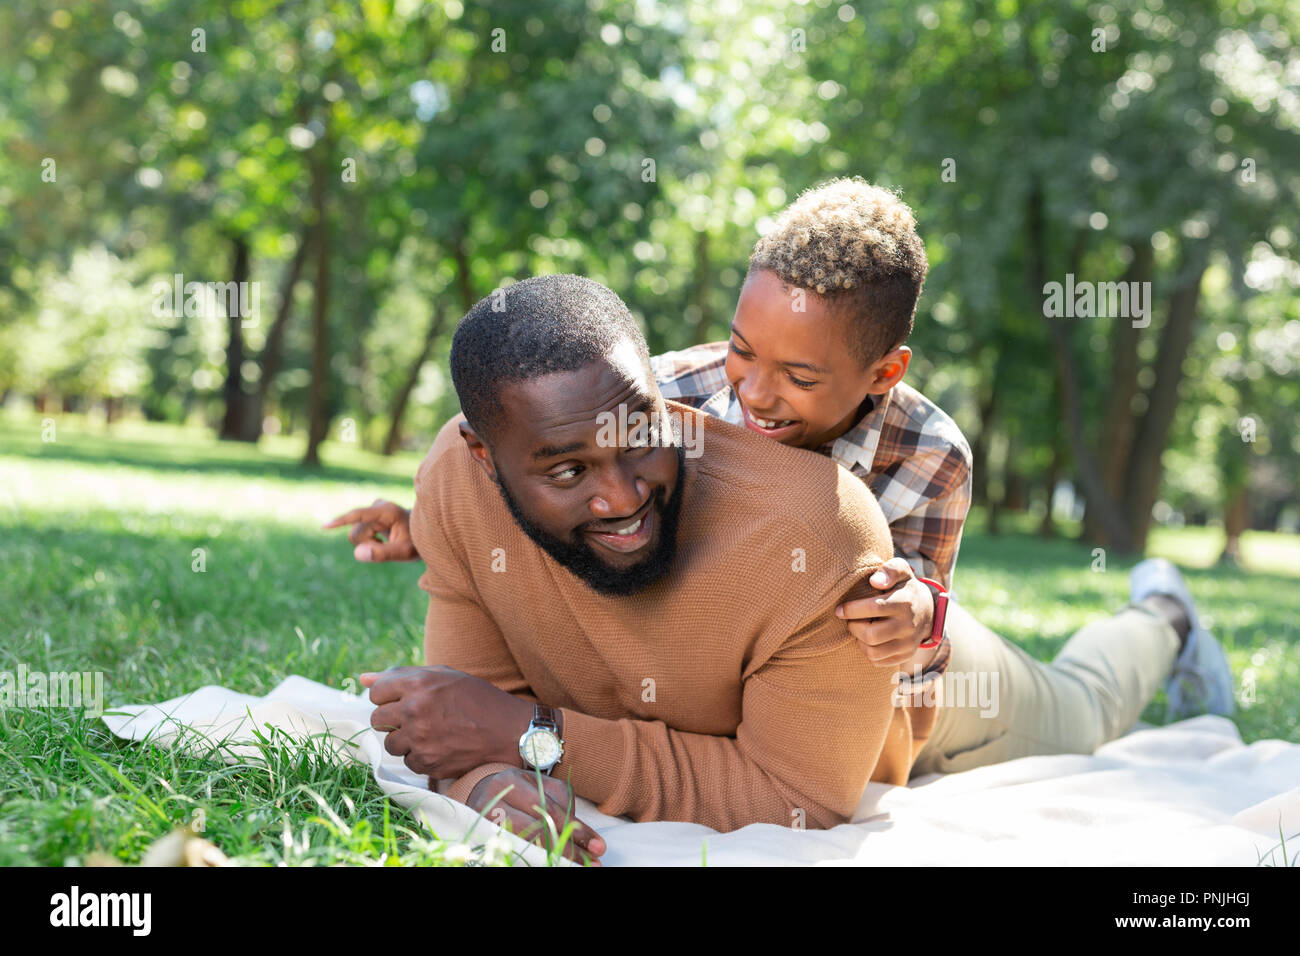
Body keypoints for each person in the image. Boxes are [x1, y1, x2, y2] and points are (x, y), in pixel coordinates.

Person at [348, 274, 1234, 865]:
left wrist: (533, 744)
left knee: (1087, 703)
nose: (621, 497)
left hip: (915, 687)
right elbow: (466, 715)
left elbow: (797, 796)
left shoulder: (820, 528)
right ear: (481, 455)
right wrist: (491, 780)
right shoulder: (451, 485)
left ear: (659, 400)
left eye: (639, 439)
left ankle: (1163, 617)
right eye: (568, 471)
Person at [328, 178, 971, 676]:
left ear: (884, 373)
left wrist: (921, 620)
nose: (753, 392)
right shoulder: (667, 394)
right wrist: (434, 524)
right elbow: (541, 451)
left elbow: (915, 660)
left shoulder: (929, 458)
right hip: (742, 678)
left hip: (901, 709)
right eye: (742, 349)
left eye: (799, 378)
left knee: (1050, 705)